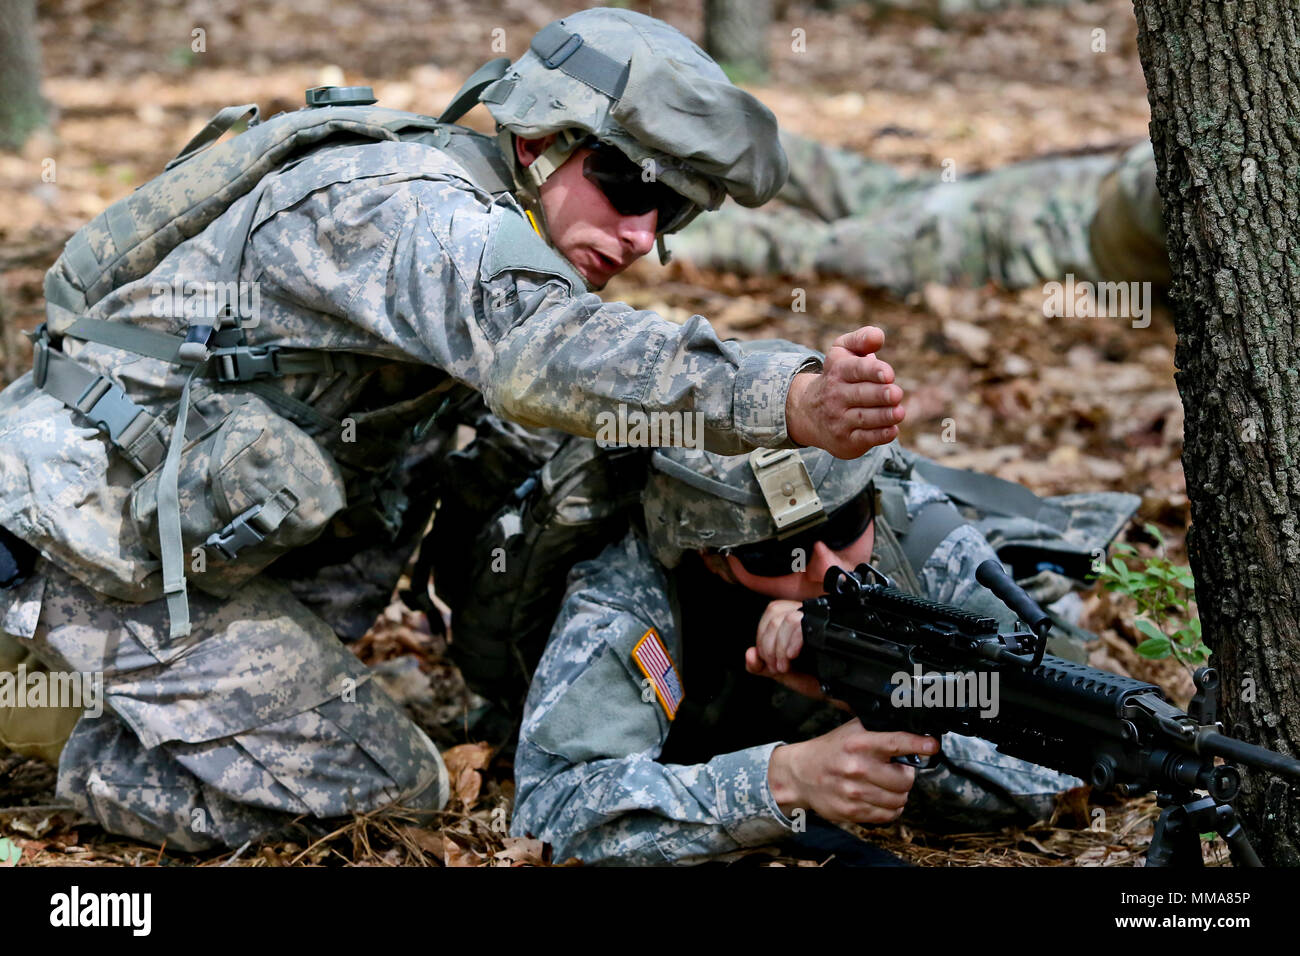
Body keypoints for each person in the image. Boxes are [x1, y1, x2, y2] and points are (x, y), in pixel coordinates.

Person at [0, 8, 907, 851]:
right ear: (540, 141)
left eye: (668, 210)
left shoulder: (501, 230)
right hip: (78, 536)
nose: (638, 233)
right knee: (392, 786)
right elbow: (545, 351)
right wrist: (788, 397)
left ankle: (112, 693)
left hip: (161, 543)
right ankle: (81, 740)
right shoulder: (408, 209)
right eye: (626, 182)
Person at [510, 441, 1099, 865]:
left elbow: (1064, 760)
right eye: (776, 554)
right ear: (706, 555)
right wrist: (782, 781)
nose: (827, 569)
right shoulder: (628, 589)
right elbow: (549, 816)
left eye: (845, 525)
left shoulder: (922, 534)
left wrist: (897, 713)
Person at [670, 129, 1171, 297]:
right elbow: (1153, 187)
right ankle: (653, 220)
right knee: (812, 244)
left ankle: (683, 134)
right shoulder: (1175, 195)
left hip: (1027, 196)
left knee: (832, 177)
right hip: (995, 236)